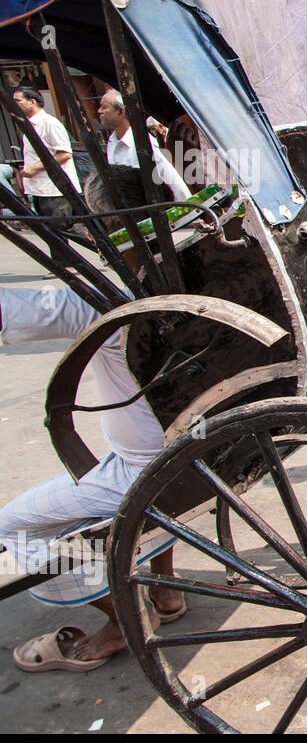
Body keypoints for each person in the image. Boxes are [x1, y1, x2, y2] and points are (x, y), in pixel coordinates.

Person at [0, 248, 186, 672]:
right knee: (127, 466)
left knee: (15, 525)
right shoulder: (198, 272)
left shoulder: (100, 299)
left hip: (144, 469)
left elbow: (12, 310)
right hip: (200, 448)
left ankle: (124, 620)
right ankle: (166, 589)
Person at [11, 87, 81, 240]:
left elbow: (64, 153)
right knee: (51, 235)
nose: (14, 104)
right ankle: (64, 264)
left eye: (17, 101)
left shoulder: (50, 123)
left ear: (32, 102)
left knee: (62, 230)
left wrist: (35, 167)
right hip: (39, 189)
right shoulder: (28, 126)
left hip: (54, 189)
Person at [98, 90, 190, 201]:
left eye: (104, 107)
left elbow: (174, 182)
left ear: (121, 112)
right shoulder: (112, 143)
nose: (99, 111)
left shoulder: (145, 145)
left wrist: (190, 213)